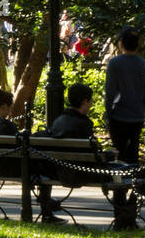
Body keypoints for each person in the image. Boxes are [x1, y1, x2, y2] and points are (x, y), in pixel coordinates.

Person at [34, 82, 98, 224]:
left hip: (56, 171)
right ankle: (125, 218)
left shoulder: (59, 120)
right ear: (85, 101)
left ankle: (47, 211)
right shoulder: (84, 124)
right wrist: (109, 155)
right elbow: (93, 157)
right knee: (126, 174)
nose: (91, 104)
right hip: (78, 174)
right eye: (90, 101)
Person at [104, 27, 145, 229]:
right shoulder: (142, 63)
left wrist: (109, 113)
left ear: (120, 43)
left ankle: (120, 213)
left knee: (119, 165)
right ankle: (129, 214)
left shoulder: (115, 63)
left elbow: (110, 91)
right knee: (133, 162)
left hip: (119, 118)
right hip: (136, 117)